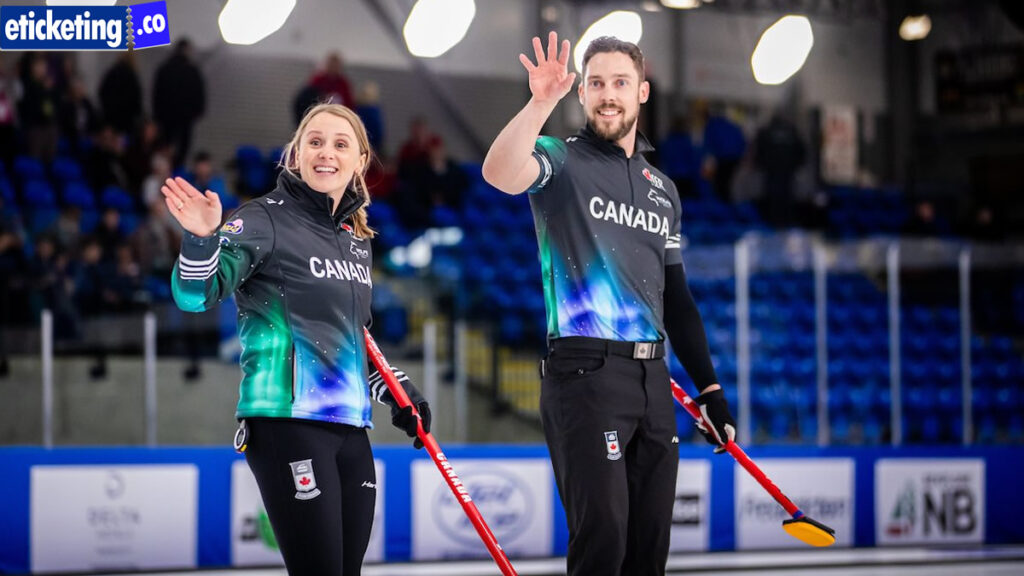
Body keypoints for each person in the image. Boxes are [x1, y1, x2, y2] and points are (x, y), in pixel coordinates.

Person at [481, 33, 736, 576]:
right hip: (584, 372)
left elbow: (678, 298)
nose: (608, 94)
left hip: (652, 378)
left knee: (648, 550)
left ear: (642, 92)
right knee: (605, 541)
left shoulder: (662, 188)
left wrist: (710, 387)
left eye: (620, 82)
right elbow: (499, 173)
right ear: (583, 93)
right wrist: (540, 102)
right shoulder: (560, 161)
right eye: (595, 83)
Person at [163, 103, 430, 575]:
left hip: (350, 425)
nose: (326, 153)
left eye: (340, 144)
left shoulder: (356, 238)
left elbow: (355, 336)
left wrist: (398, 390)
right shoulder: (264, 219)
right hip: (286, 421)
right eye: (315, 141)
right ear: (297, 153)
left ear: (360, 161)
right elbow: (195, 295)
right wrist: (202, 239)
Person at [153, 38, 206, 169]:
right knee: (182, 151)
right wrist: (196, 113)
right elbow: (199, 95)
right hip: (185, 119)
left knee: (166, 150)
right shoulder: (192, 71)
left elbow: (156, 95)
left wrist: (158, 116)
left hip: (166, 119)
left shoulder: (164, 70)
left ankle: (166, 173)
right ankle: (178, 173)